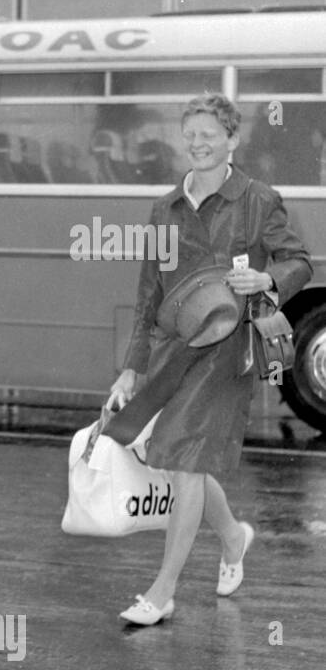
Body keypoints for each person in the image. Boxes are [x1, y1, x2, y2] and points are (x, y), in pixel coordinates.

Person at [105, 93, 312, 624]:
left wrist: (268, 280)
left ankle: (162, 591)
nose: (197, 144)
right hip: (178, 352)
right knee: (184, 462)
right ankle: (232, 538)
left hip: (232, 352)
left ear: (232, 140)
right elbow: (149, 293)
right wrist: (131, 367)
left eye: (209, 135)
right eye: (190, 134)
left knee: (184, 460)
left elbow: (298, 262)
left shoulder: (258, 199)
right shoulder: (164, 209)